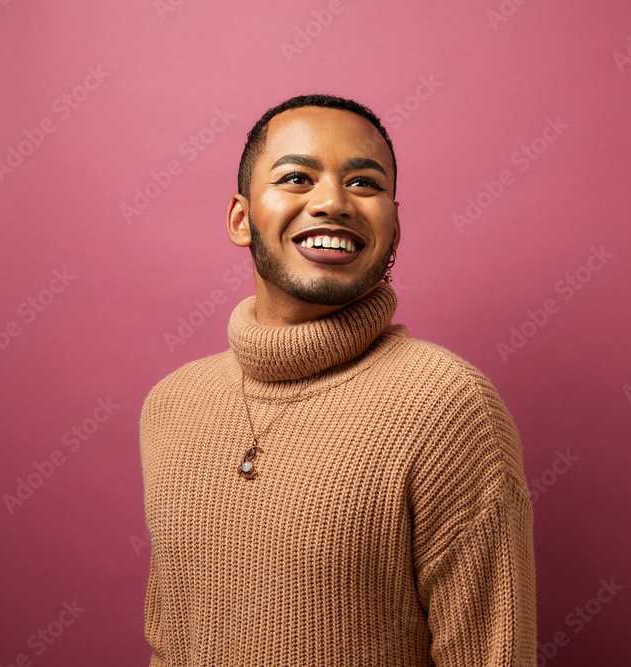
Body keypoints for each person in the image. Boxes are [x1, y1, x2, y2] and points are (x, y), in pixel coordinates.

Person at [138, 93, 536, 666]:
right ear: (241, 218)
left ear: (394, 228)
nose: (332, 202)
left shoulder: (449, 406)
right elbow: (171, 644)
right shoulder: (172, 404)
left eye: (365, 184)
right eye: (296, 177)